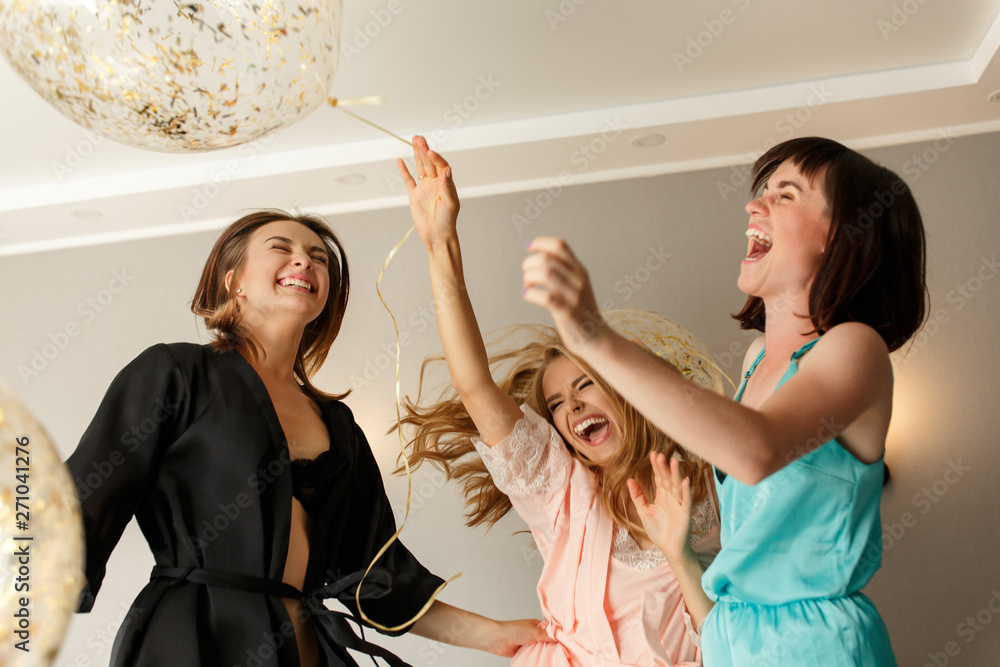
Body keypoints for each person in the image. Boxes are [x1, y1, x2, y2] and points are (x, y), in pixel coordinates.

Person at [66, 209, 550, 667]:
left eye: (319, 257)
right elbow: (79, 503)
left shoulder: (338, 425)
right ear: (233, 281)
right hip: (192, 638)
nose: (305, 260)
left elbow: (375, 574)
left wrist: (498, 635)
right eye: (282, 248)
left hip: (302, 646)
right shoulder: (176, 372)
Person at [521, 137, 927, 666]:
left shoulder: (856, 348)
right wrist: (682, 556)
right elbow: (743, 598)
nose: (753, 205)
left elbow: (754, 452)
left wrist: (597, 338)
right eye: (763, 190)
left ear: (843, 235)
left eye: (785, 194)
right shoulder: (756, 359)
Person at [396, 137, 721, 666]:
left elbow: (728, 638)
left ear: (628, 391)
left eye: (585, 386)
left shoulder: (703, 490)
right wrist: (440, 244)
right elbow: (475, 385)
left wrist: (681, 555)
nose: (570, 408)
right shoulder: (556, 488)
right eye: (556, 403)